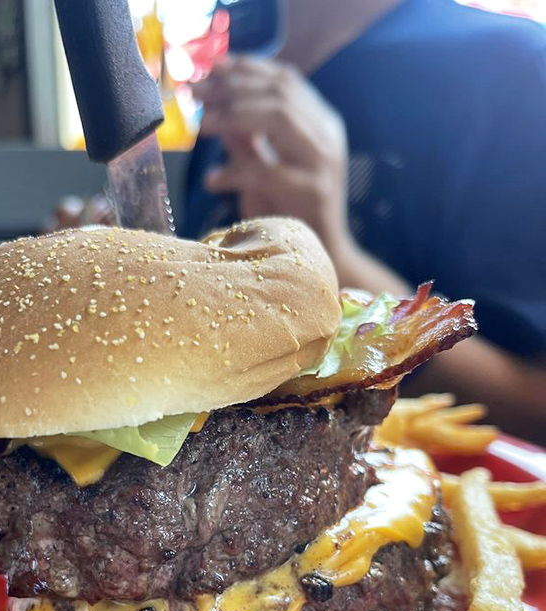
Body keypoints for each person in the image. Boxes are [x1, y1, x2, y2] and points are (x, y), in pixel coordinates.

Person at [185, 0, 546, 441]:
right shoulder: (235, 79)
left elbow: (535, 408)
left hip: (408, 487)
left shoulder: (517, 66)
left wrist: (332, 256)